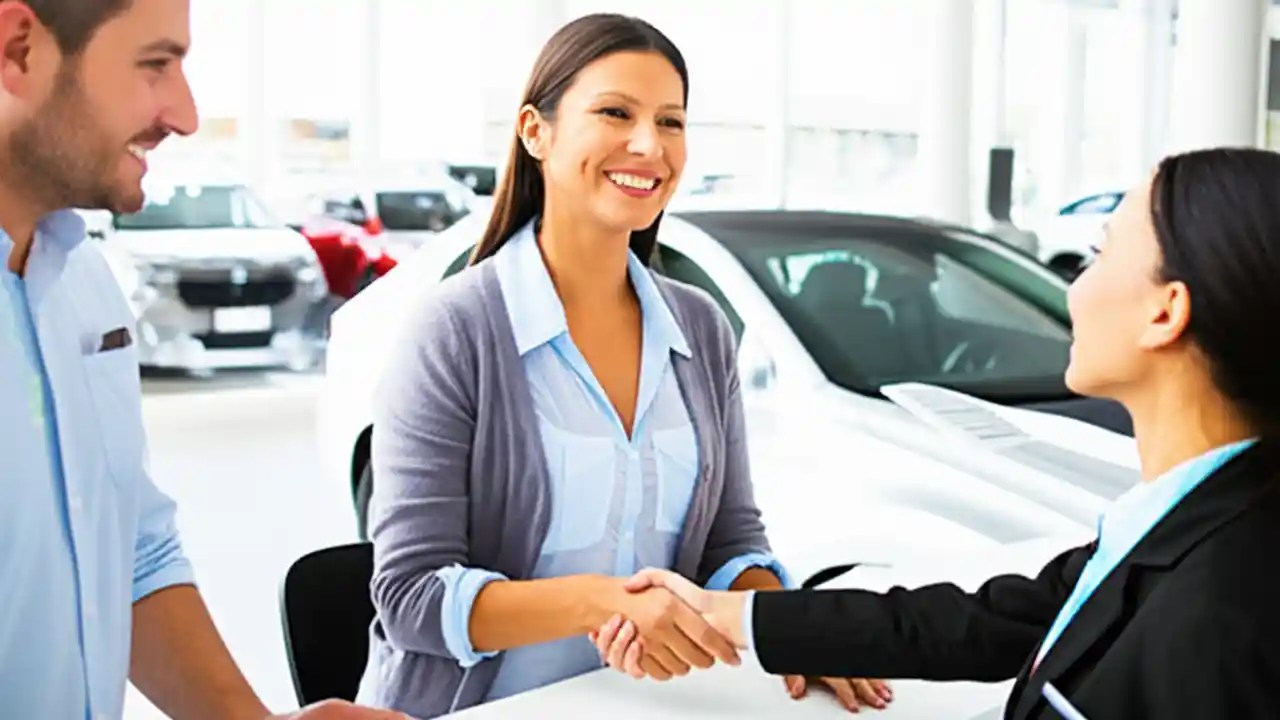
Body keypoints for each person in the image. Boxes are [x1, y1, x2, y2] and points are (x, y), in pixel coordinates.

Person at [593, 147, 1280, 718]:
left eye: (1098, 256)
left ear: (1166, 312)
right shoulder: (1199, 524)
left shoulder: (1224, 620)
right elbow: (987, 621)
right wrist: (729, 616)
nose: (1072, 287)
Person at [354, 12, 889, 719]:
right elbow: (411, 597)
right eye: (615, 112)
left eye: (671, 122)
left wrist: (799, 632)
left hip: (637, 705)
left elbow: (730, 544)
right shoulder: (454, 328)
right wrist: (607, 604)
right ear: (534, 131)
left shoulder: (699, 324)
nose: (649, 145)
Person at [0, 2, 406, 718]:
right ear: (17, 47)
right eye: (154, 64)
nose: (185, 115)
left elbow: (130, 554)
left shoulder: (82, 285)